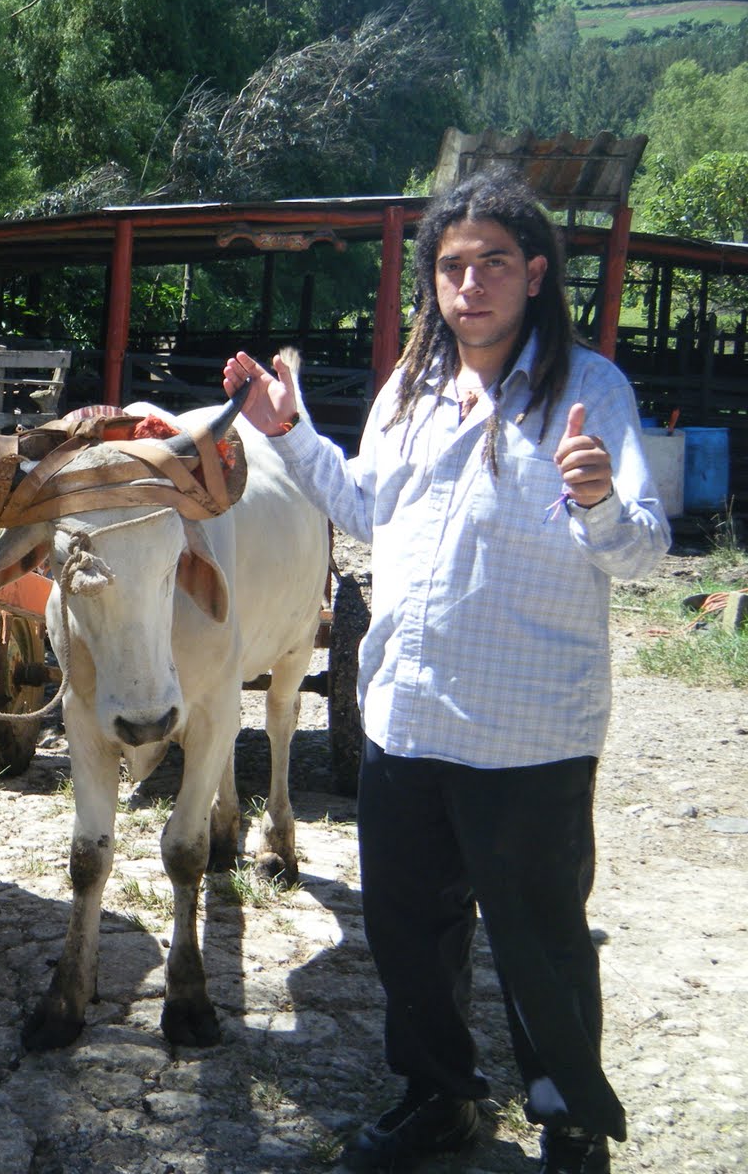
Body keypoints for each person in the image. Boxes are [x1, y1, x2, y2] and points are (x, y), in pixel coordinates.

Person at [222, 169, 670, 1174]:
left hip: (531, 730)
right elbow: (366, 509)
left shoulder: (589, 389)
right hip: (406, 719)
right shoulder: (410, 389)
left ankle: (567, 1121)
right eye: (452, 266)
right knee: (409, 936)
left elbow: (641, 550)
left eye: (493, 263)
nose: (469, 283)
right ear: (433, 282)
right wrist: (284, 427)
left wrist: (596, 497)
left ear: (536, 272)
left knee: (539, 941)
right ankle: (438, 1098)